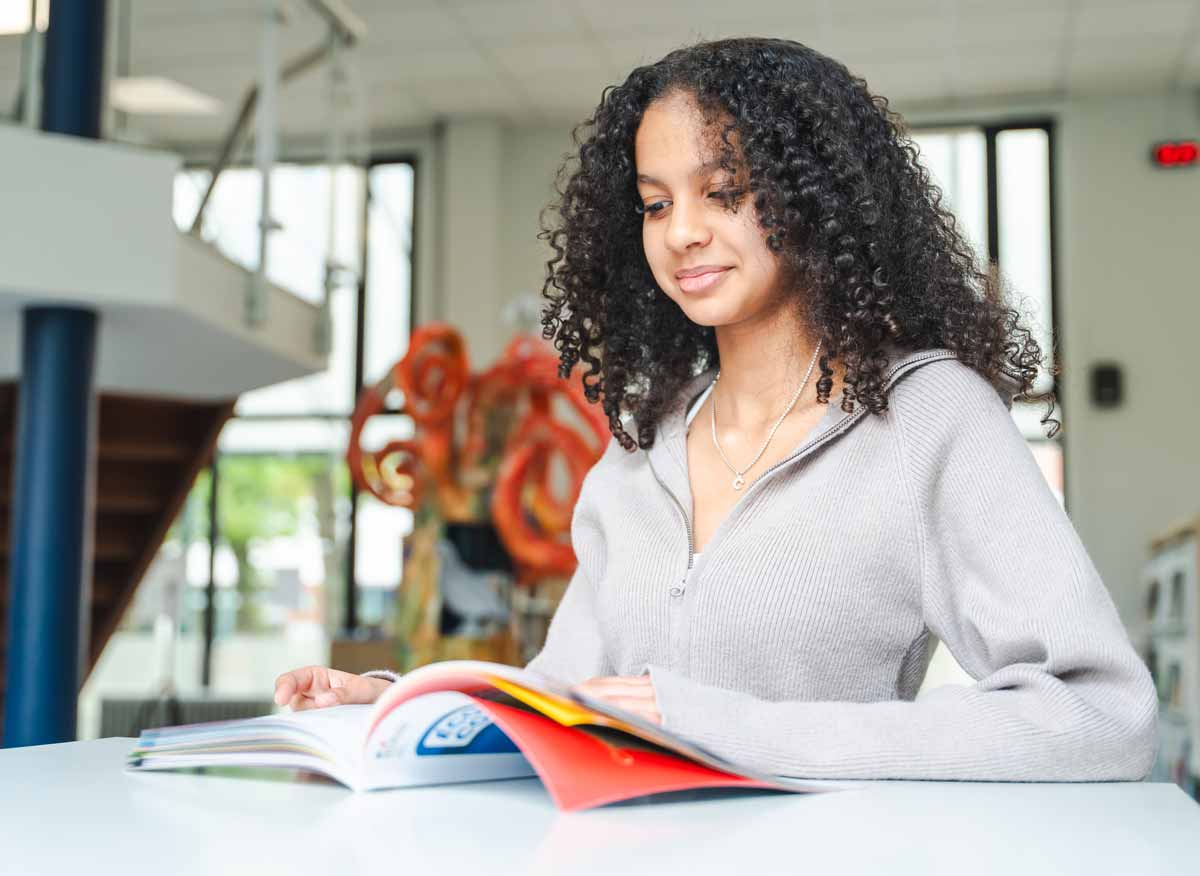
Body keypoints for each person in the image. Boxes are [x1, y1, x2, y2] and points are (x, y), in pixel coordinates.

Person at [274, 37, 1157, 781]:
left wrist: (731, 730)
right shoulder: (641, 446)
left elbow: (1099, 716)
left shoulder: (928, 417)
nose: (681, 231)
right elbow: (567, 702)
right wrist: (399, 707)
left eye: (724, 191)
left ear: (817, 197)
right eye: (656, 203)